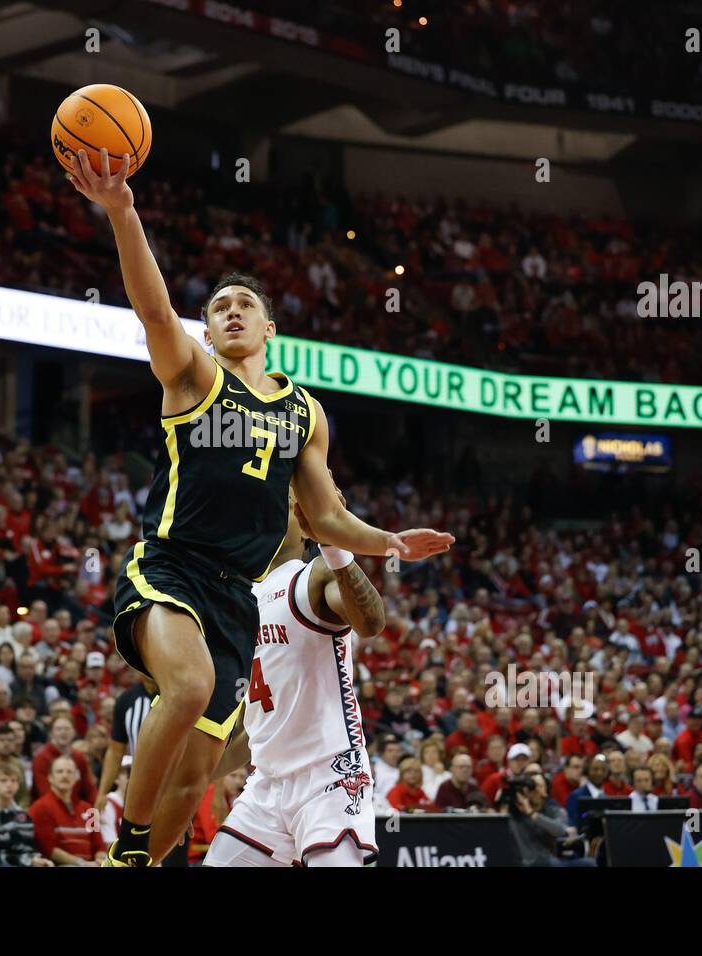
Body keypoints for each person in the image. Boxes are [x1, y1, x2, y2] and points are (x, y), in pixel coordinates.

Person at [70, 143, 453, 867]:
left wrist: (391, 541)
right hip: (172, 565)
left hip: (236, 597)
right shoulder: (191, 376)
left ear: (270, 329)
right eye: (219, 307)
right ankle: (128, 847)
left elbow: (326, 517)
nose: (233, 311)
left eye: (247, 304)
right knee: (186, 686)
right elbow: (153, 309)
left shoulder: (304, 411)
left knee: (196, 775)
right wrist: (122, 211)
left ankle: (153, 853)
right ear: (207, 331)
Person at [203, 499, 387, 867]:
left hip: (329, 777)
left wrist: (334, 546)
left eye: (282, 504)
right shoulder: (241, 601)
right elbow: (252, 736)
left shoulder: (312, 575)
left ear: (304, 522)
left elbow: (371, 623)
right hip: (267, 784)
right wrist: (188, 790)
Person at [29, 754, 105, 866]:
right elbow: (49, 850)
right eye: (60, 772)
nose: (65, 776)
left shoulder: (88, 809)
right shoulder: (40, 808)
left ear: (76, 778)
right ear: (50, 777)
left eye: (69, 772)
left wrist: (101, 860)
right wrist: (83, 864)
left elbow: (99, 846)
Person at [0, 766, 52, 867]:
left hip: (17, 862)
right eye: (3, 780)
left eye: (14, 781)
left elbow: (25, 847)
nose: (9, 785)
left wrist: (34, 859)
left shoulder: (21, 815)